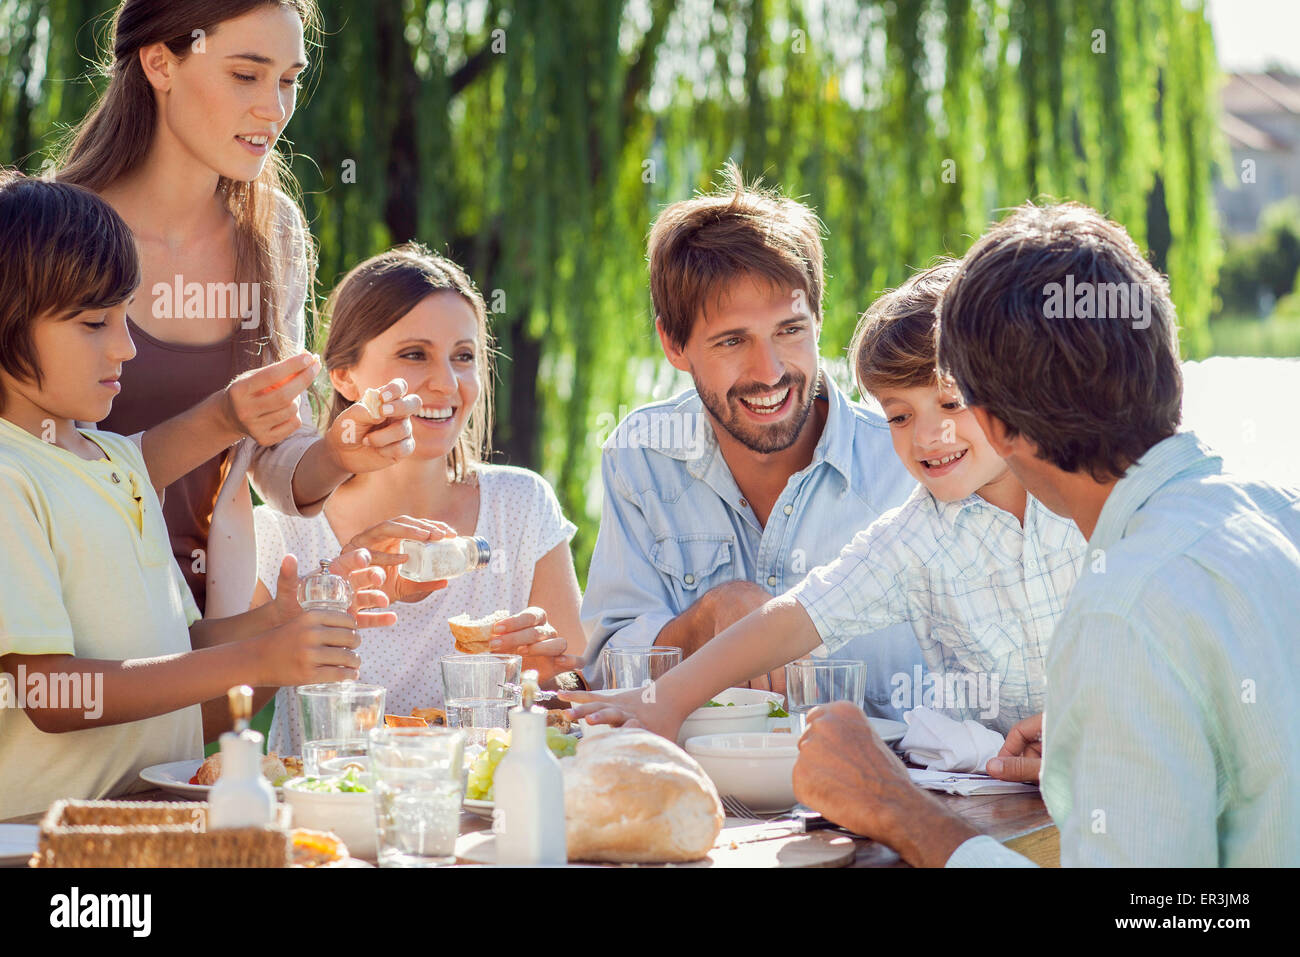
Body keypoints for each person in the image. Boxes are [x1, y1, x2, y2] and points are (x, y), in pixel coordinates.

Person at [793, 203, 1300, 866]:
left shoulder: (1122, 612)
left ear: (997, 427)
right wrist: (1099, 737)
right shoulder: (1277, 512)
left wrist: (895, 806)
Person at [0, 173, 391, 819]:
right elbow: (49, 691)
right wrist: (259, 652)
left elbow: (186, 672)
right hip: (39, 845)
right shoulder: (11, 477)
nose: (125, 347)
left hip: (155, 825)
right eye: (95, 322)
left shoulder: (116, 462)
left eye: (126, 317)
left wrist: (280, 633)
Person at [564, 261, 1085, 736]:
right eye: (900, 417)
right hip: (1009, 788)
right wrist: (664, 701)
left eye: (951, 402)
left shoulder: (1091, 492)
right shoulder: (913, 537)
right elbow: (795, 618)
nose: (928, 437)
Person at [57, 0, 418, 626]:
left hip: (206, 620)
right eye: (245, 75)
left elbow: (274, 457)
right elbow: (34, 459)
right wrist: (218, 417)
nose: (273, 110)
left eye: (288, 80)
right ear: (159, 63)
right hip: (70, 606)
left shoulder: (272, 232)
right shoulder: (49, 232)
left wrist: (337, 452)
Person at [580, 164, 921, 715]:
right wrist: (709, 617)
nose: (769, 372)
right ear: (674, 344)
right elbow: (608, 665)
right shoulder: (641, 455)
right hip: (704, 788)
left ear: (818, 318)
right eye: (732, 341)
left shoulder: (911, 463)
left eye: (790, 331)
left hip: (895, 787)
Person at [251, 244, 585, 753]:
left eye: (464, 357)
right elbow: (218, 708)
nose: (447, 383)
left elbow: (578, 703)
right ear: (343, 375)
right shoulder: (283, 530)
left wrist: (541, 685)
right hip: (329, 819)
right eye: (415, 354)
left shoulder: (521, 505)